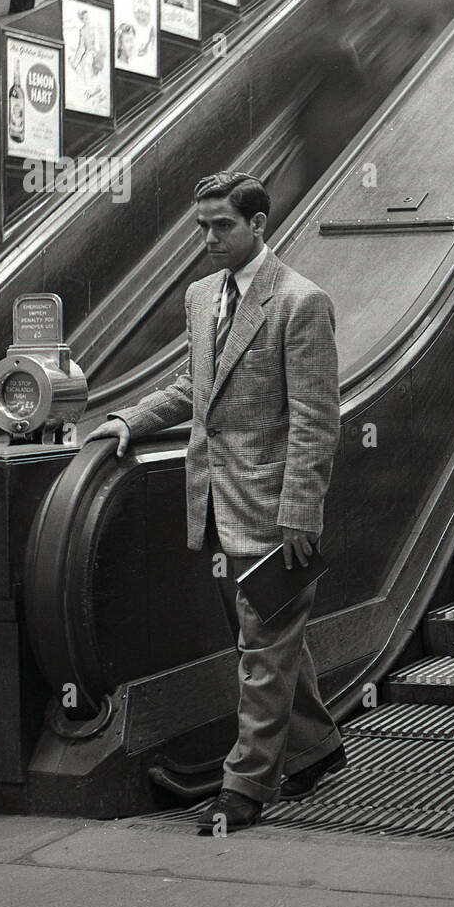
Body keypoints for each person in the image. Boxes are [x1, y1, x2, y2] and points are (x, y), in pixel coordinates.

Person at [87, 171, 344, 834]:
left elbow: (317, 418)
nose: (208, 238)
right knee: (265, 634)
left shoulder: (299, 302)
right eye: (201, 226)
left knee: (260, 645)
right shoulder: (202, 297)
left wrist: (301, 509)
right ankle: (316, 748)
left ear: (259, 224)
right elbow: (192, 385)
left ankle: (245, 786)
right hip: (213, 501)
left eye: (222, 225)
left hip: (271, 509)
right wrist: (130, 420)